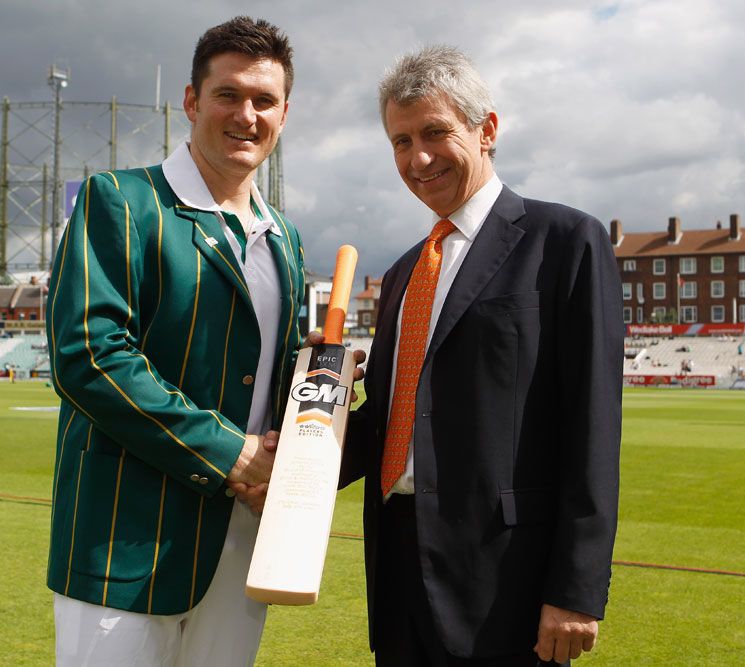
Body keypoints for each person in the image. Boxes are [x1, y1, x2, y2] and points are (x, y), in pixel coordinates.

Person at [340, 46, 623, 666]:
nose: (418, 158)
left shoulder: (566, 242)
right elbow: (390, 423)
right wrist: (310, 414)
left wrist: (576, 590)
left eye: (436, 132)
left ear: (486, 130)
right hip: (396, 571)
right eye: (400, 141)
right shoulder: (400, 274)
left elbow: (594, 424)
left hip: (506, 582)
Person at [46, 16, 304, 666]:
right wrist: (231, 455)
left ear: (284, 112)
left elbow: (281, 377)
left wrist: (321, 395)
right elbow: (91, 358)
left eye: (264, 100)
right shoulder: (121, 201)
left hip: (243, 544)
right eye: (228, 94)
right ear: (191, 101)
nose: (247, 115)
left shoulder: (285, 237)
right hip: (124, 547)